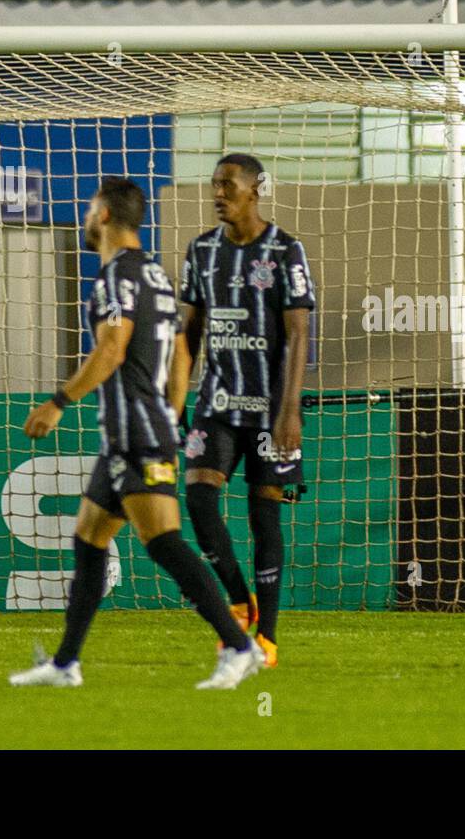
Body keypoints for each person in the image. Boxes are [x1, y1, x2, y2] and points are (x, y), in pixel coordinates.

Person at [9, 176, 263, 691]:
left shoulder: (114, 279)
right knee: (89, 537)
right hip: (142, 431)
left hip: (136, 434)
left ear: (103, 214)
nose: (85, 217)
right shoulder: (156, 276)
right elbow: (184, 355)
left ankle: (240, 647)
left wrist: (59, 403)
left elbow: (112, 349)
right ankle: (65, 664)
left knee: (165, 542)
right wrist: (171, 414)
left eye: (88, 208)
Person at [178, 154, 315, 668]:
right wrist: (175, 401)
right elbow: (187, 335)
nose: (219, 194)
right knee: (198, 497)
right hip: (216, 402)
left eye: (228, 185)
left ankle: (269, 636)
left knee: (264, 516)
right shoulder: (201, 251)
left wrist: (290, 411)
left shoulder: (285, 250)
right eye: (215, 185)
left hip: (268, 408)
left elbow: (299, 333)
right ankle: (237, 598)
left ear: (255, 190)